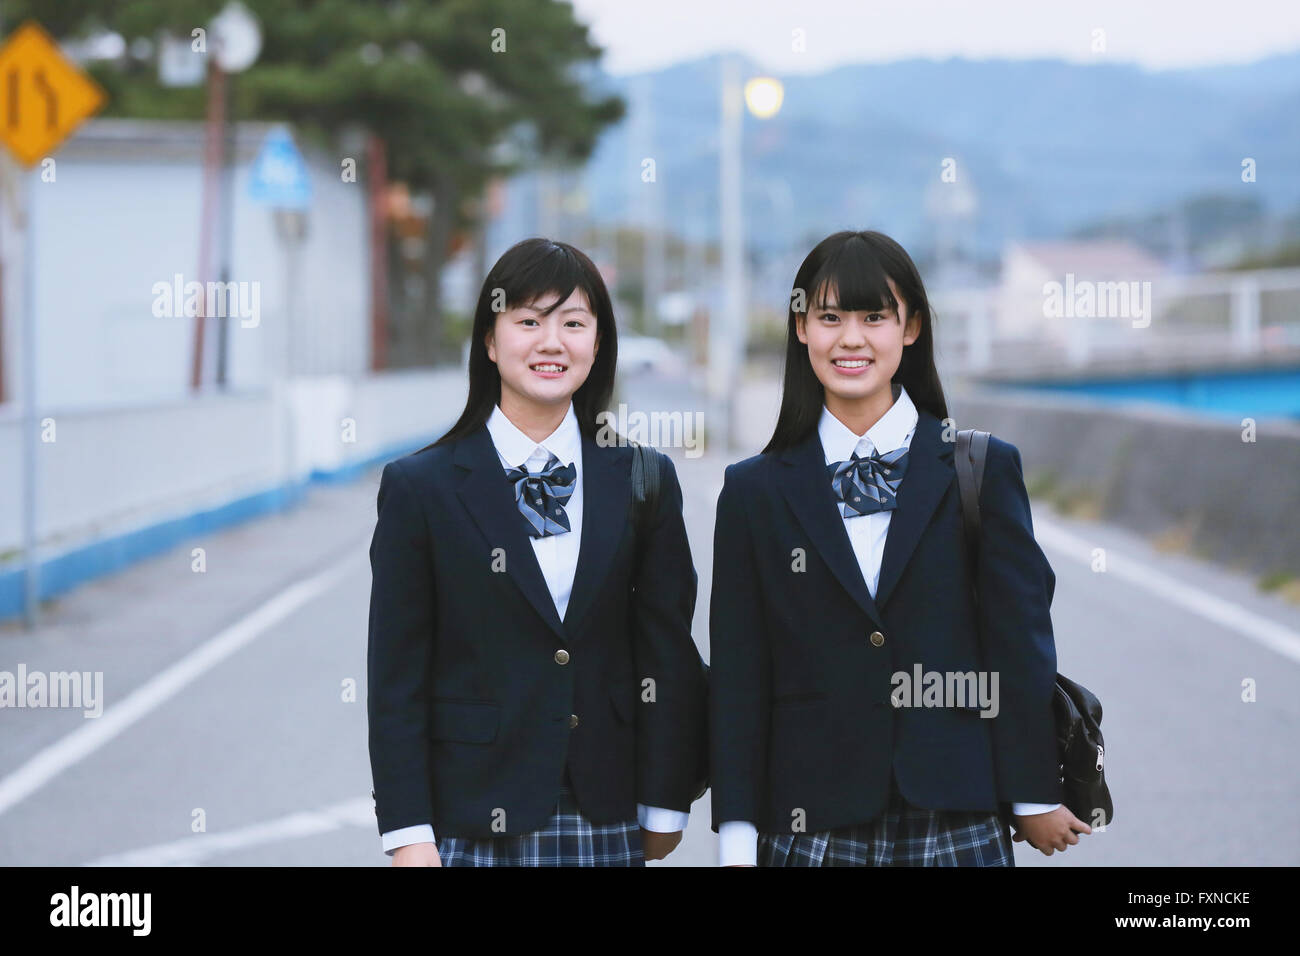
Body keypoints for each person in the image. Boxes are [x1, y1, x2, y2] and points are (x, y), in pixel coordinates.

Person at [708, 229, 1092, 866]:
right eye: (829, 317)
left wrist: (1030, 793)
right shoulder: (752, 491)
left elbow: (1019, 641)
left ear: (910, 327)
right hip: (808, 818)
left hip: (956, 807)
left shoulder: (981, 468)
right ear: (801, 328)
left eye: (874, 317)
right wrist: (738, 836)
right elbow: (740, 675)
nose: (851, 338)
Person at [367, 237, 707, 866]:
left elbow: (668, 652)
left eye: (573, 323)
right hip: (469, 818)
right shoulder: (422, 488)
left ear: (598, 343)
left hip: (605, 811)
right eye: (527, 322)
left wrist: (666, 803)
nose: (552, 342)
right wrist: (408, 835)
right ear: (491, 342)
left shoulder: (644, 478)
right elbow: (397, 678)